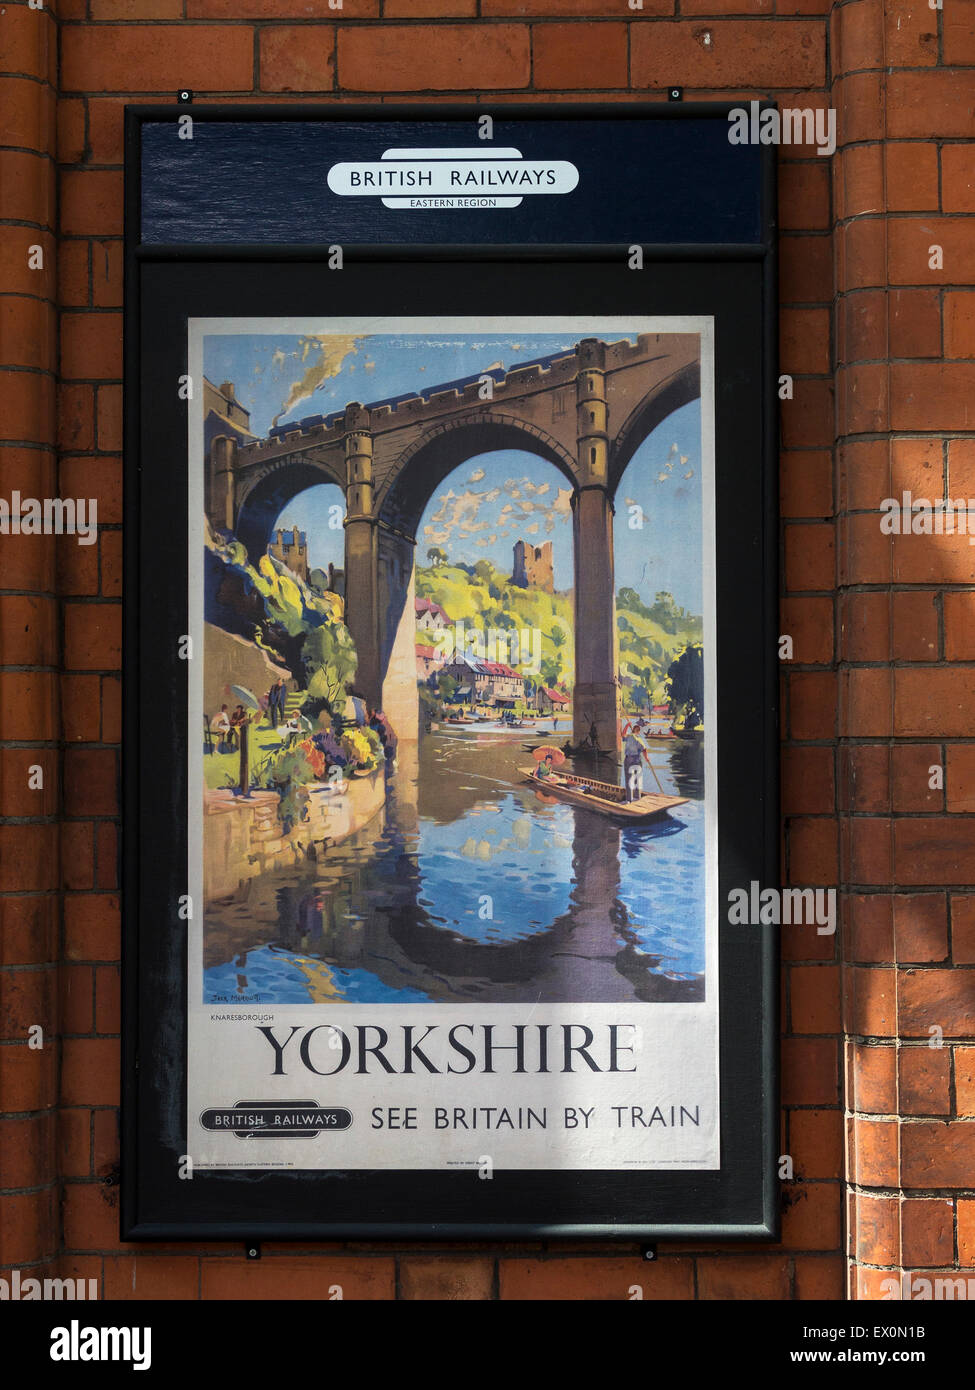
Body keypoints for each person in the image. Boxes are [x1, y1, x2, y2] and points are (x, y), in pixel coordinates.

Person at [623, 721, 648, 801]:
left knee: (629, 780)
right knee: (638, 779)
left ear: (633, 730)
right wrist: (646, 758)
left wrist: (627, 725)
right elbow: (644, 749)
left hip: (629, 759)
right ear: (638, 731)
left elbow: (622, 734)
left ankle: (629, 800)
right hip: (638, 759)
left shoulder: (629, 736)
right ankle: (637, 797)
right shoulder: (639, 739)